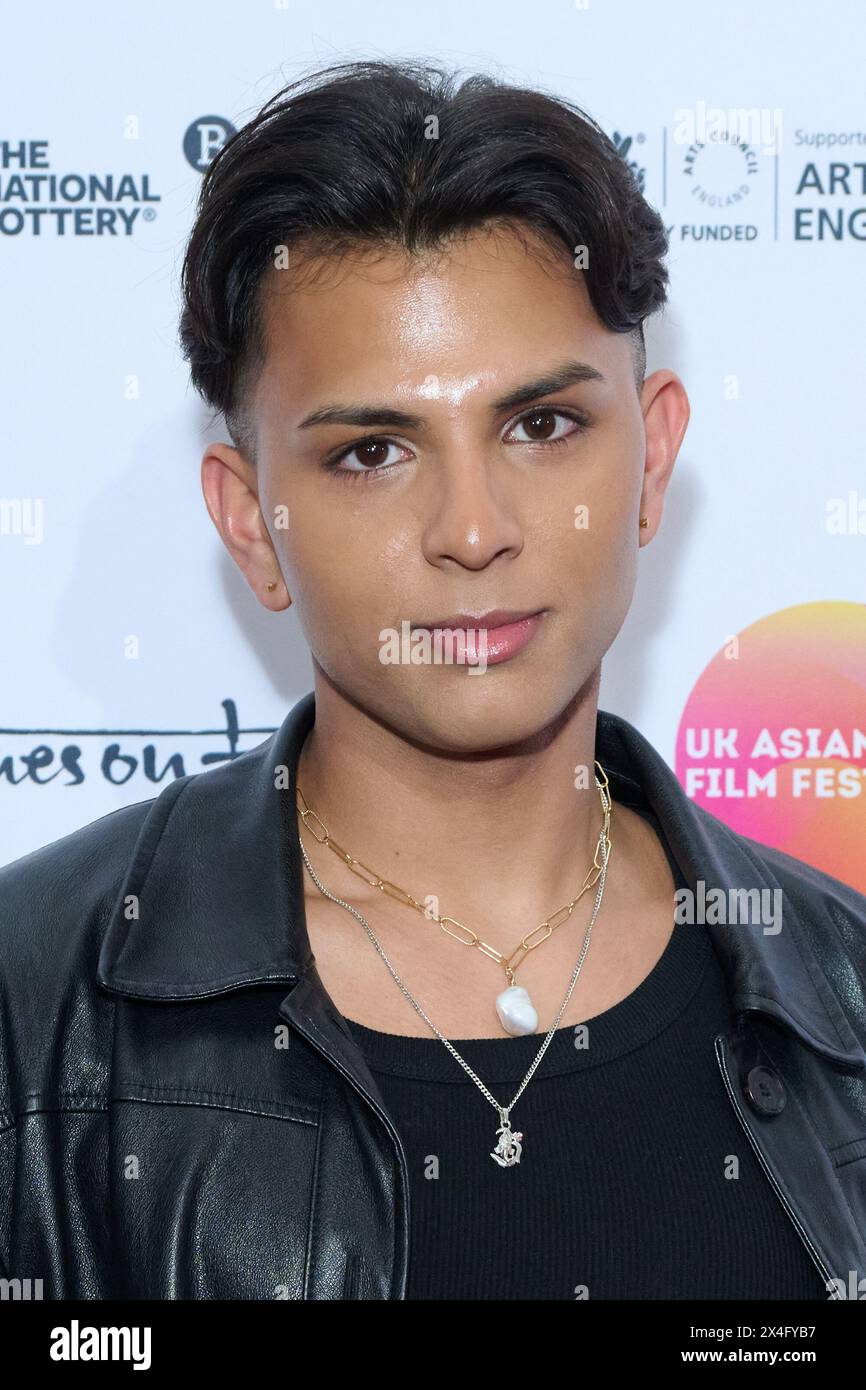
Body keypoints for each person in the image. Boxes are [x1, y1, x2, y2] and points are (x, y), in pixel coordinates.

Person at [2, 59, 866, 1302]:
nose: (471, 528)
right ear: (251, 522)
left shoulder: (834, 989)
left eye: (542, 426)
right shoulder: (34, 1013)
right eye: (370, 451)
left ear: (650, 458)